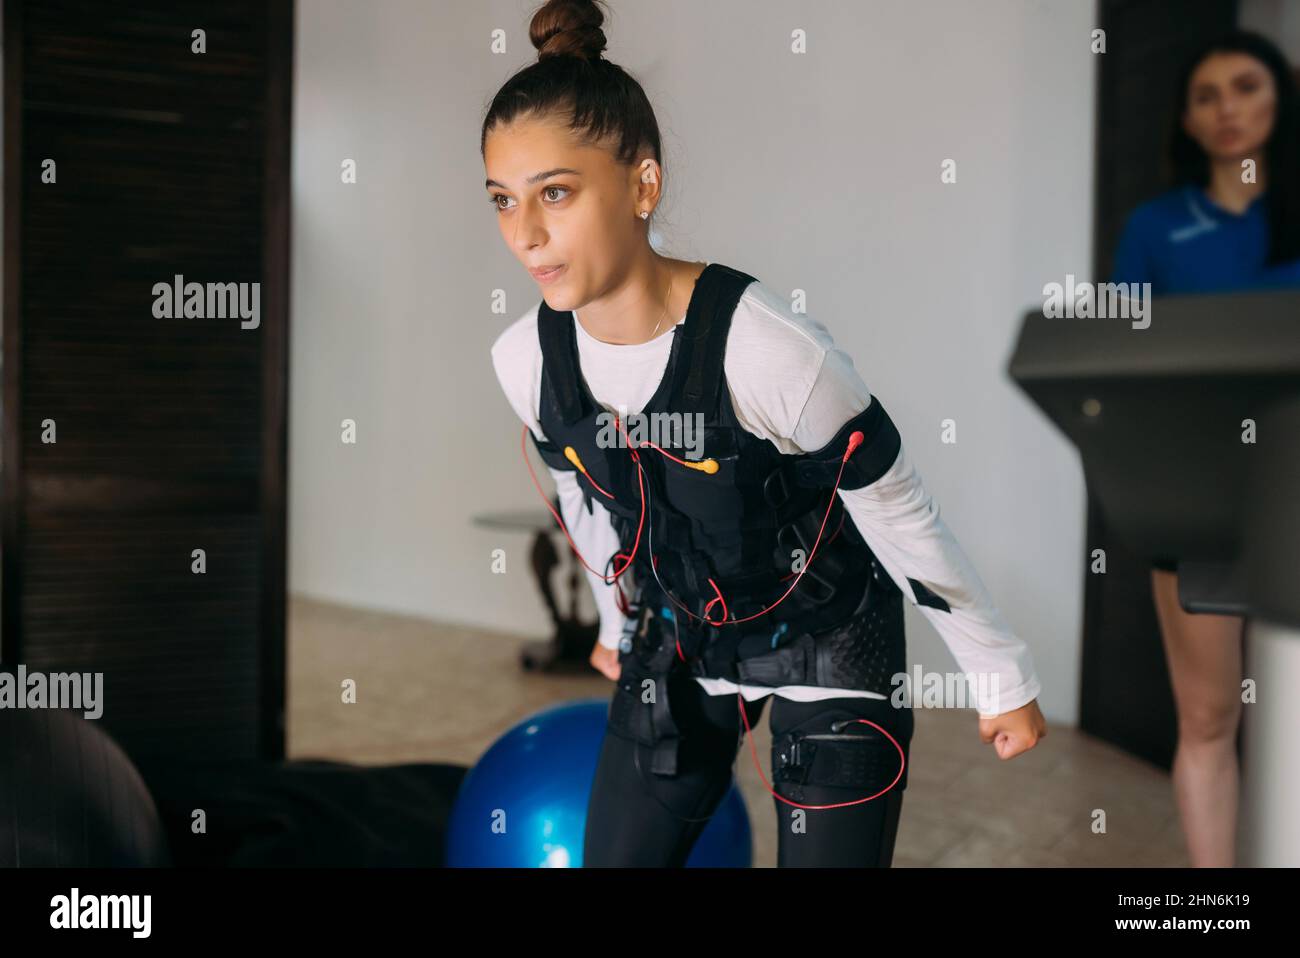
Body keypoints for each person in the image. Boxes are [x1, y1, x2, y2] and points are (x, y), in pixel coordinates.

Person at [485, 0, 1046, 867]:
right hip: (682, 630)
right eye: (503, 200)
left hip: (828, 633)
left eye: (555, 193)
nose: (525, 235)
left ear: (642, 183)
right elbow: (582, 490)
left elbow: (897, 508)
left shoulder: (765, 348)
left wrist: (999, 674)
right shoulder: (524, 357)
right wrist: (609, 620)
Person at [1110, 30, 1300, 867]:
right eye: (1208, 95)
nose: (1229, 108)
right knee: (1211, 717)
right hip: (1198, 496)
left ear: (1281, 99)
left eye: (1248, 86)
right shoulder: (1156, 227)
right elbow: (1118, 361)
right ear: (1187, 119)